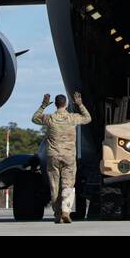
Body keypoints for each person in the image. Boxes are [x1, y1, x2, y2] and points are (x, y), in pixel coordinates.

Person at [31, 92, 91, 224]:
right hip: (69, 156)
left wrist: (43, 105)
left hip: (53, 156)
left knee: (54, 186)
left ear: (56, 104)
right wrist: (80, 104)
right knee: (68, 184)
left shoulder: (50, 118)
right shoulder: (72, 118)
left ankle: (57, 214)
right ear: (65, 104)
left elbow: (34, 119)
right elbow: (87, 118)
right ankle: (65, 210)